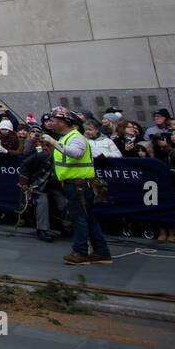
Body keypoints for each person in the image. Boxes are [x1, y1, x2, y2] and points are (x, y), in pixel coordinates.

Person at [41, 107, 111, 266]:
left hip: (78, 185)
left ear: (63, 122)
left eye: (54, 121)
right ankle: (101, 252)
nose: (50, 123)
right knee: (89, 219)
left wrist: (53, 142)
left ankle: (80, 252)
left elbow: (76, 153)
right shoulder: (66, 138)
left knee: (79, 219)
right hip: (75, 184)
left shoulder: (76, 138)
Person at [17, 143, 63, 242]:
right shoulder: (41, 155)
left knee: (63, 203)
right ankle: (42, 230)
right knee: (42, 202)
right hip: (39, 184)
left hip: (55, 186)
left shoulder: (65, 159)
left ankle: (66, 227)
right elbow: (25, 164)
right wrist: (24, 183)